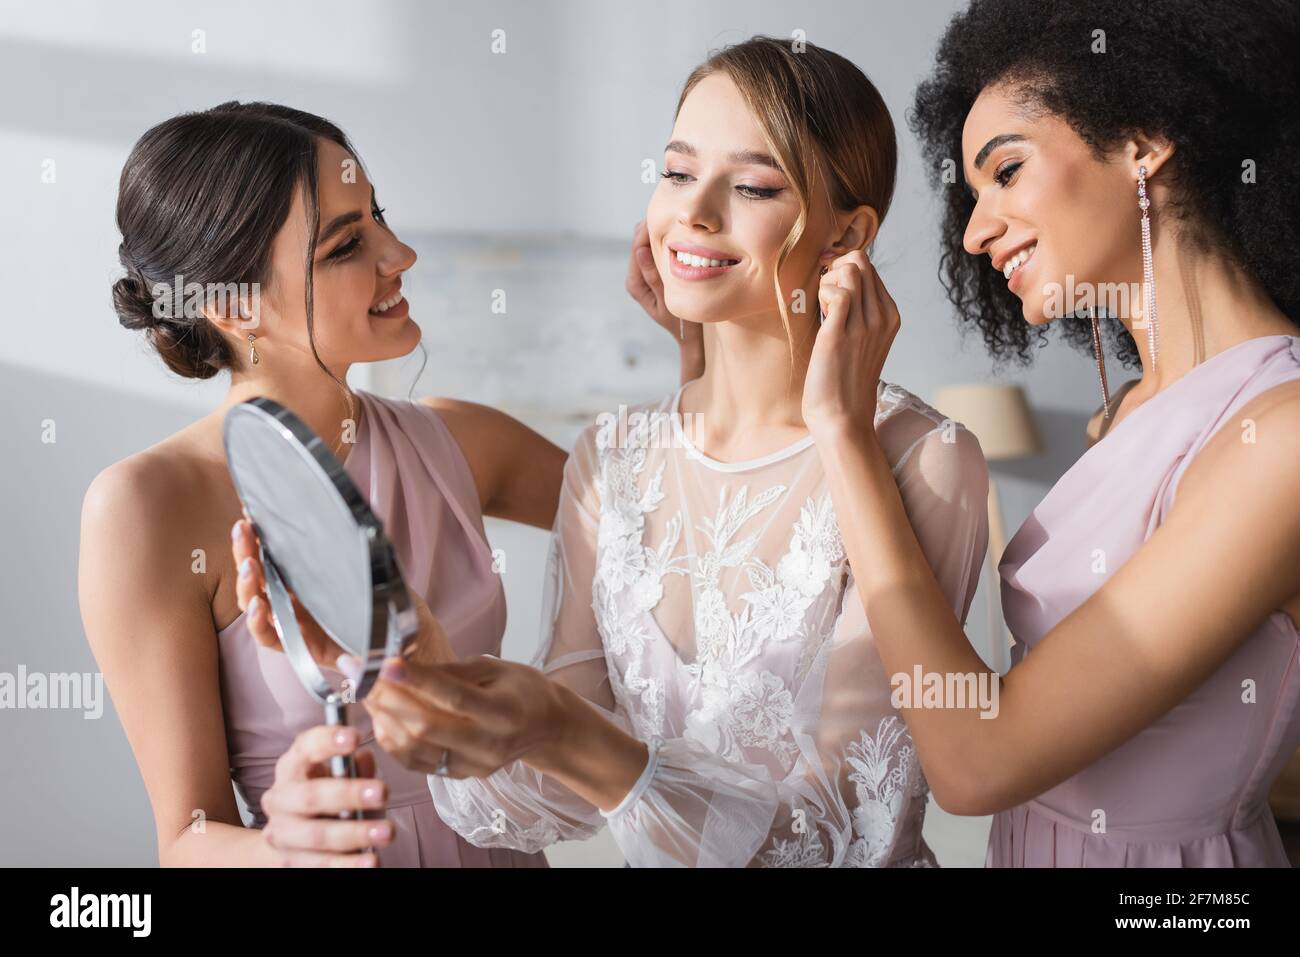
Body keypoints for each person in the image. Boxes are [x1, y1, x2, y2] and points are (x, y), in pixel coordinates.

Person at [233, 37, 991, 867]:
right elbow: (543, 803)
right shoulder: (613, 458)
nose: (694, 212)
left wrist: (568, 734)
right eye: (675, 171)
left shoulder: (924, 460)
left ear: (848, 235)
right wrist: (428, 675)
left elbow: (839, 842)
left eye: (752, 185)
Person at [79, 102, 698, 866]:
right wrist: (286, 850)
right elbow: (185, 838)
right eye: (347, 246)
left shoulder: (460, 442)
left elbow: (683, 533)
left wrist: (696, 346)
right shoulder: (147, 507)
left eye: (379, 217)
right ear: (234, 305)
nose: (399, 254)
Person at [801, 0, 1300, 866]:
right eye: (972, 191)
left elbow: (977, 759)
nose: (973, 227)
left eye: (1006, 171)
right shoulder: (1130, 412)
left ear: (1144, 137)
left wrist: (843, 434)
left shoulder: (1282, 435)